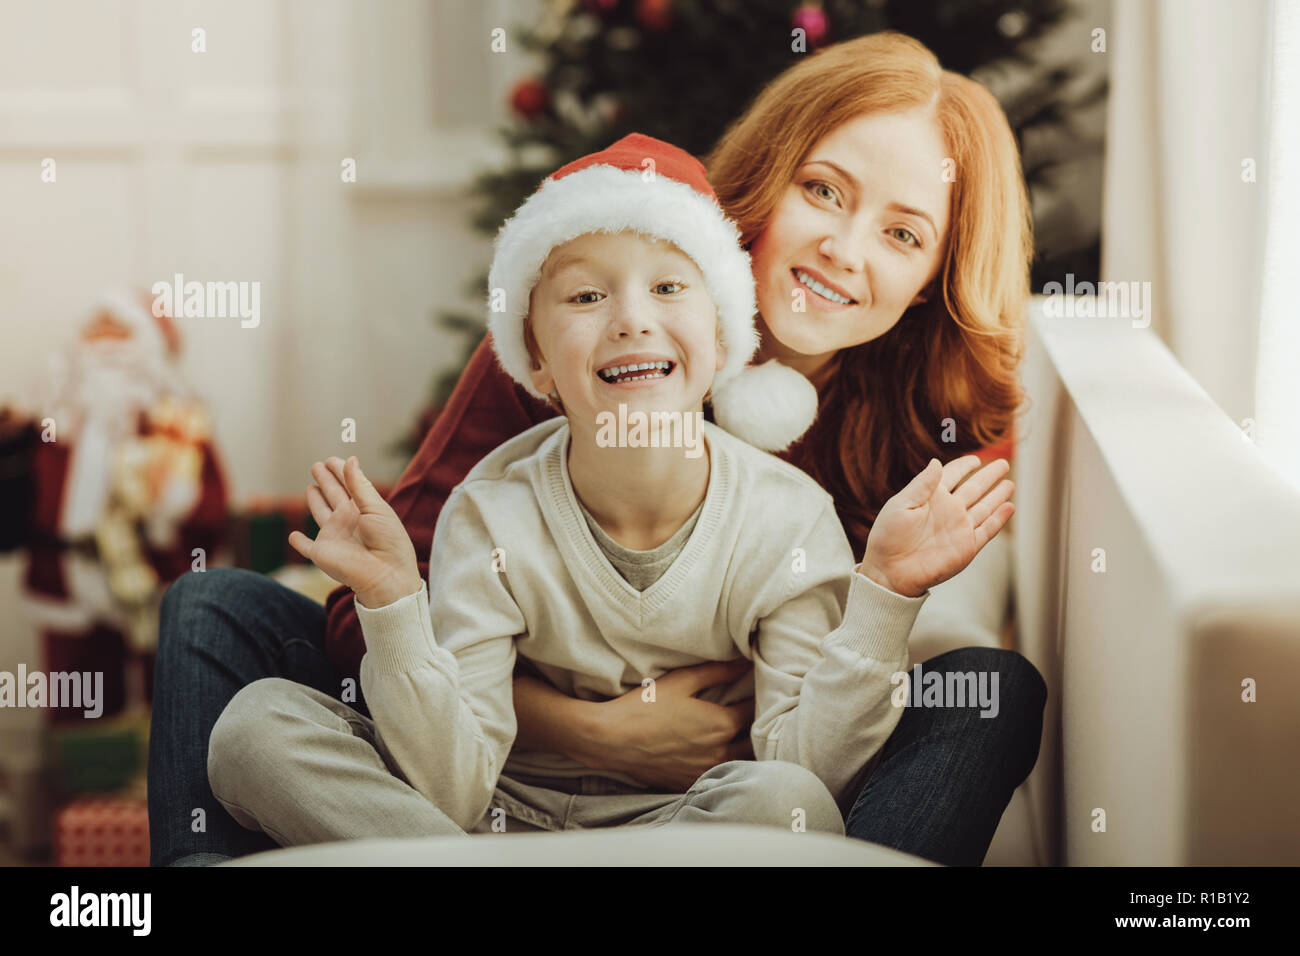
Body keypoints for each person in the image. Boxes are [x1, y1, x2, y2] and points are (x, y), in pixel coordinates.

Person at [149, 32, 1046, 867]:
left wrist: (867, 617)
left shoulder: (923, 427)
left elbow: (824, 721)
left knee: (989, 692)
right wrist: (593, 731)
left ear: (934, 279)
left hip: (735, 778)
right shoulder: (582, 334)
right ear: (769, 178)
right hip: (483, 737)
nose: (845, 249)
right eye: (822, 190)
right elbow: (379, 605)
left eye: (902, 234)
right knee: (211, 610)